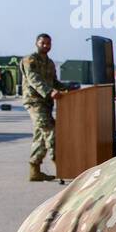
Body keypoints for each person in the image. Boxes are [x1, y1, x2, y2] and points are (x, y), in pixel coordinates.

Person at [22, 33, 68, 181]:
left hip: (47, 103)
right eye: (43, 43)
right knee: (50, 131)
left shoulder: (50, 63)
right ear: (36, 43)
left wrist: (67, 90)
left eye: (48, 44)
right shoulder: (30, 60)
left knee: (40, 136)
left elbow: (54, 81)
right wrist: (49, 91)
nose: (46, 46)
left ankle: (34, 170)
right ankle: (61, 166)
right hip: (35, 102)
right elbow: (33, 79)